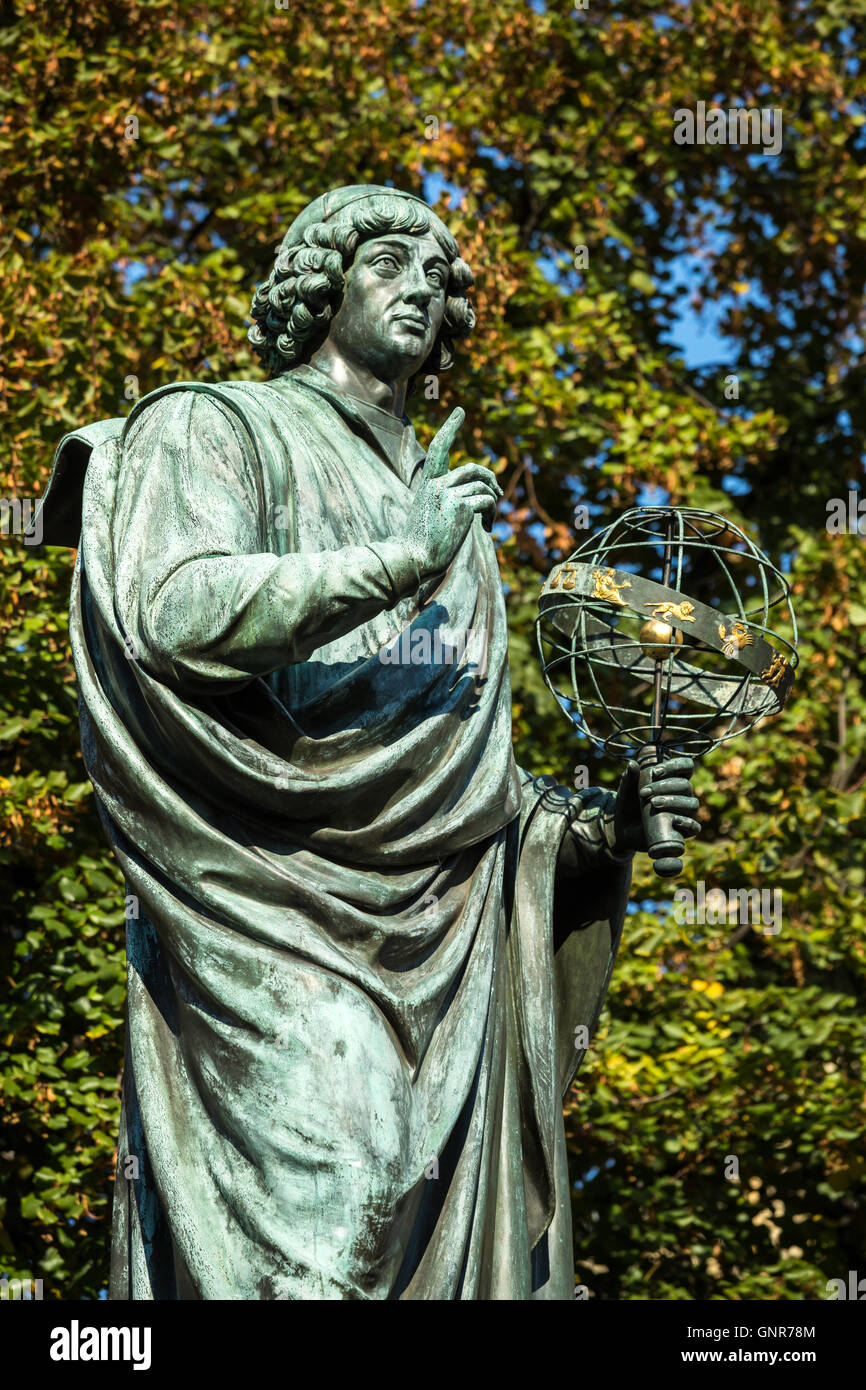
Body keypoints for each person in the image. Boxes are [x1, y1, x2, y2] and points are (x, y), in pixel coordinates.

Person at [36, 185, 700, 1299]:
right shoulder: (214, 426)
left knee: (406, 1228)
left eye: (438, 278)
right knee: (332, 1198)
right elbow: (175, 609)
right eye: (388, 260)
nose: (420, 287)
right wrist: (395, 555)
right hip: (264, 895)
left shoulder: (452, 524)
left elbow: (471, 790)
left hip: (440, 944)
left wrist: (601, 828)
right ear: (320, 284)